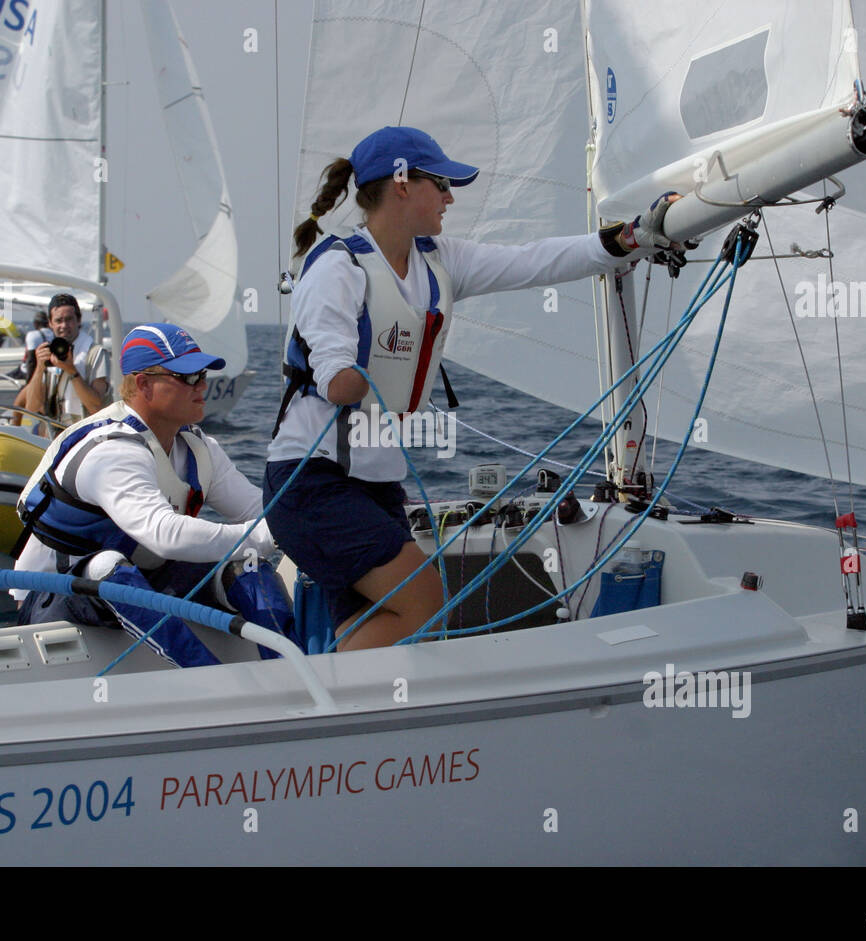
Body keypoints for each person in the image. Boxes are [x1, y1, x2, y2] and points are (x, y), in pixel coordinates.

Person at [265, 126, 683, 652]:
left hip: (377, 482)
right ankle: (313, 719)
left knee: (385, 632)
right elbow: (334, 377)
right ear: (400, 185)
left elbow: (534, 260)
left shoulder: (439, 260)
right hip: (311, 484)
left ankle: (335, 721)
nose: (449, 196)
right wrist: (350, 371)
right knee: (423, 605)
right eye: (440, 183)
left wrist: (629, 239)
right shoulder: (336, 268)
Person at [13, 323, 300, 668]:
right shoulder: (112, 453)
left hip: (143, 580)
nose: (203, 386)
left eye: (203, 375)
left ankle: (294, 674)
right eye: (188, 376)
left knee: (248, 567)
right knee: (110, 568)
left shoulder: (199, 449)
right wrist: (267, 533)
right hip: (52, 600)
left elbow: (263, 510)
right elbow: (165, 535)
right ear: (144, 385)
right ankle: (209, 682)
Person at [17, 292, 110, 425]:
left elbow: (96, 408)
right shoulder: (49, 353)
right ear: (50, 323)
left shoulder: (96, 353)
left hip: (86, 434)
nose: (64, 325)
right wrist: (39, 368)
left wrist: (71, 370)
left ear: (78, 320)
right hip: (54, 436)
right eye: (58, 320)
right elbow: (32, 407)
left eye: (69, 319)